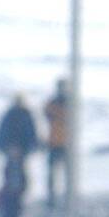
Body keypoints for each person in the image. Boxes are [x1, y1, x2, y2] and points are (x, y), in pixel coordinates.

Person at [44, 79, 69, 209]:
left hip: (66, 144)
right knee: (52, 174)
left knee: (68, 174)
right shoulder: (53, 103)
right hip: (54, 142)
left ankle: (68, 199)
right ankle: (51, 199)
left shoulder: (69, 103)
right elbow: (46, 114)